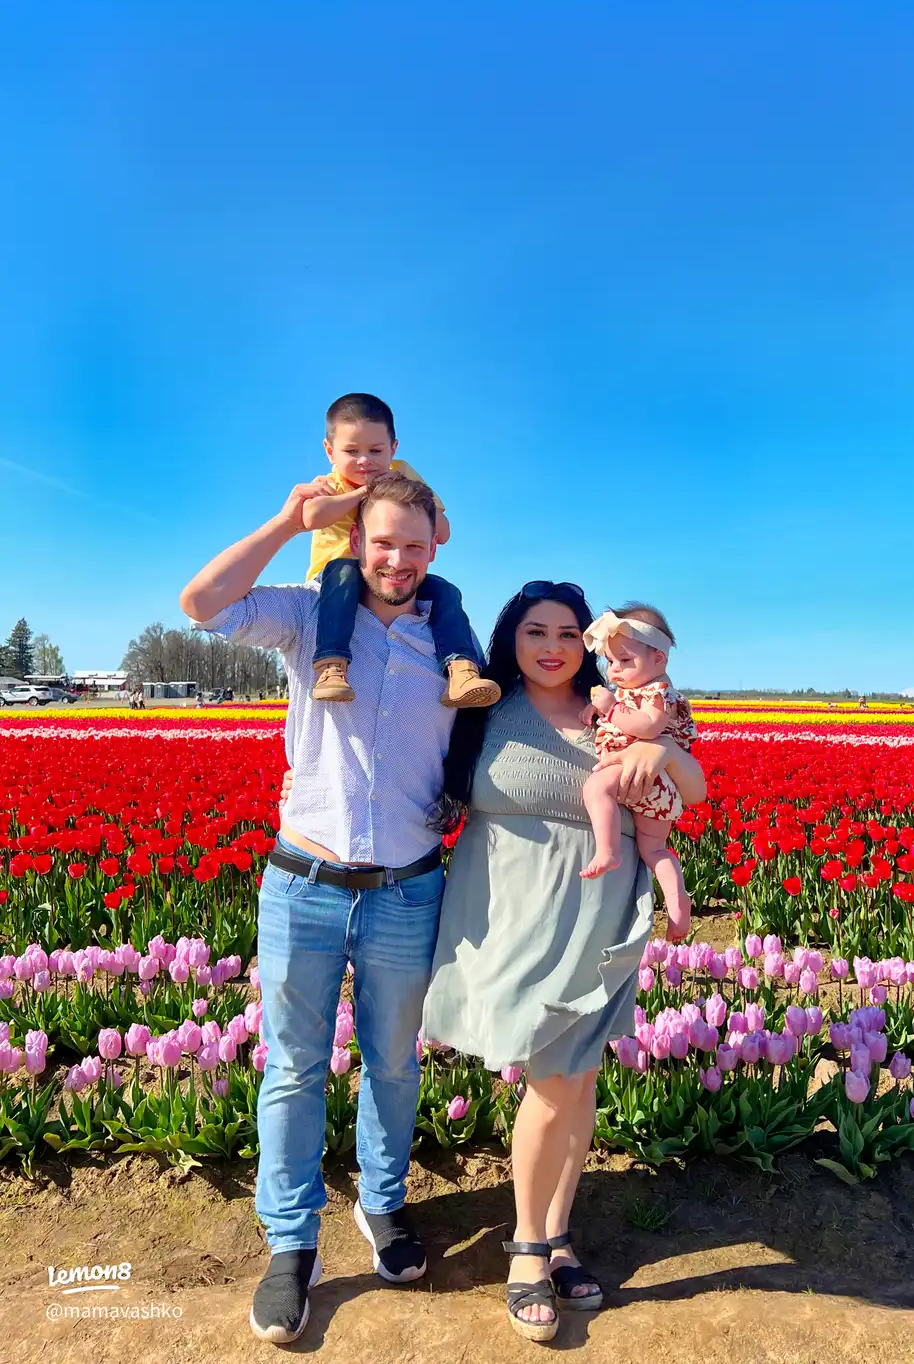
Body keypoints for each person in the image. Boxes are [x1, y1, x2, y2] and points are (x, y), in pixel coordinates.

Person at [179, 472, 461, 1346]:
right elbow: (201, 603)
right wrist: (289, 520)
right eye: (383, 542)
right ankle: (290, 1243)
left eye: (415, 546)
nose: (399, 560)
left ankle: (382, 1206)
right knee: (295, 1069)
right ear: (356, 538)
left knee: (393, 1064)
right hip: (303, 883)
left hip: (408, 888)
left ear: (435, 547)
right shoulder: (310, 619)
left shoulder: (452, 644)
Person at [421, 582, 707, 1343]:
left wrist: (660, 748)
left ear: (592, 642)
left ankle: (551, 1235)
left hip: (599, 913)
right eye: (535, 631)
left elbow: (696, 792)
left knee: (572, 1081)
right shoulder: (479, 711)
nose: (552, 646)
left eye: (569, 634)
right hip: (508, 916)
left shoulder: (611, 712)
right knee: (550, 1083)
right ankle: (526, 1248)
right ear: (510, 638)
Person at [301, 392, 499, 710]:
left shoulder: (402, 473)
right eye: (351, 451)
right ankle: (331, 666)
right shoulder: (331, 484)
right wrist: (367, 492)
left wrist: (414, 498)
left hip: (392, 575)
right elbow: (311, 518)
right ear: (330, 451)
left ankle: (461, 671)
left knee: (445, 591)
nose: (365, 461)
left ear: (393, 448)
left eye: (376, 450)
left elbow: (443, 533)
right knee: (344, 571)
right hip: (338, 576)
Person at [578, 605, 695, 941]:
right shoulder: (635, 690)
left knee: (596, 789)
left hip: (646, 777)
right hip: (656, 790)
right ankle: (677, 906)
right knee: (656, 851)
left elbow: (649, 727)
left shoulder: (657, 693)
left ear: (659, 659)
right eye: (611, 662)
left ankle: (608, 850)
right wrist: (595, 710)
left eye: (625, 661)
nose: (615, 670)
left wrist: (610, 709)